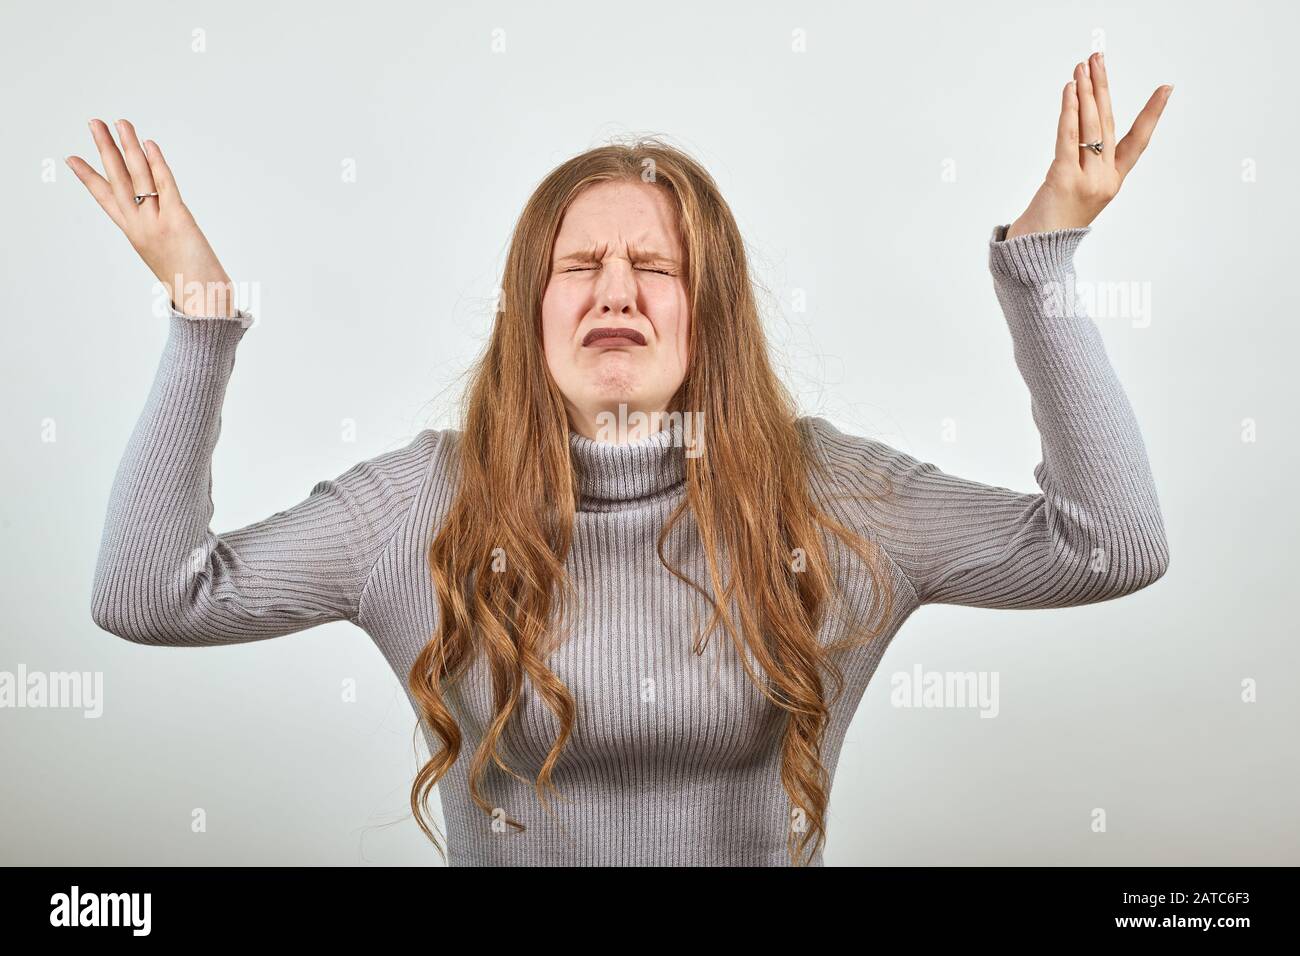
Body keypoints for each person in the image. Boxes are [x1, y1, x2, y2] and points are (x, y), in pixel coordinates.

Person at [72, 51, 1173, 867]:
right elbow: (150, 593)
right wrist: (199, 315)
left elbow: (1106, 545)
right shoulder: (422, 502)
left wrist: (1041, 266)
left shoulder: (827, 497)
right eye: (579, 264)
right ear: (531, 310)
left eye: (653, 265)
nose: (612, 290)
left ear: (710, 313)